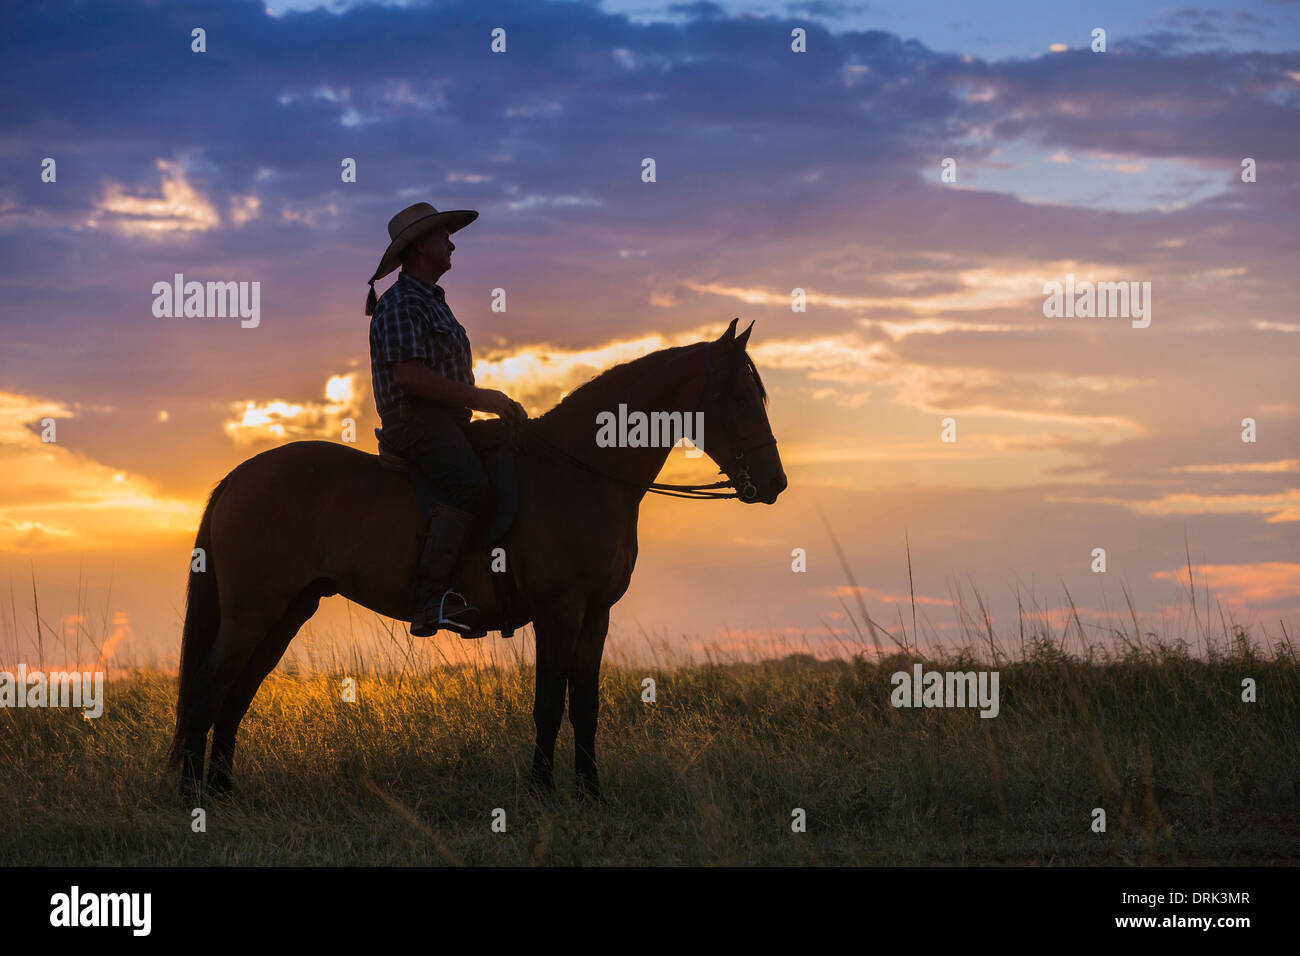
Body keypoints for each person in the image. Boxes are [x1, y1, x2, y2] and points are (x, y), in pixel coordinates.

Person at [365, 202, 526, 637]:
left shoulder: (431, 301)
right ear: (420, 246)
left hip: (447, 422)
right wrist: (484, 397)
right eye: (442, 237)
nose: (451, 243)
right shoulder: (401, 303)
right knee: (470, 486)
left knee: (517, 447)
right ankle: (432, 598)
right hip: (415, 422)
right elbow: (410, 376)